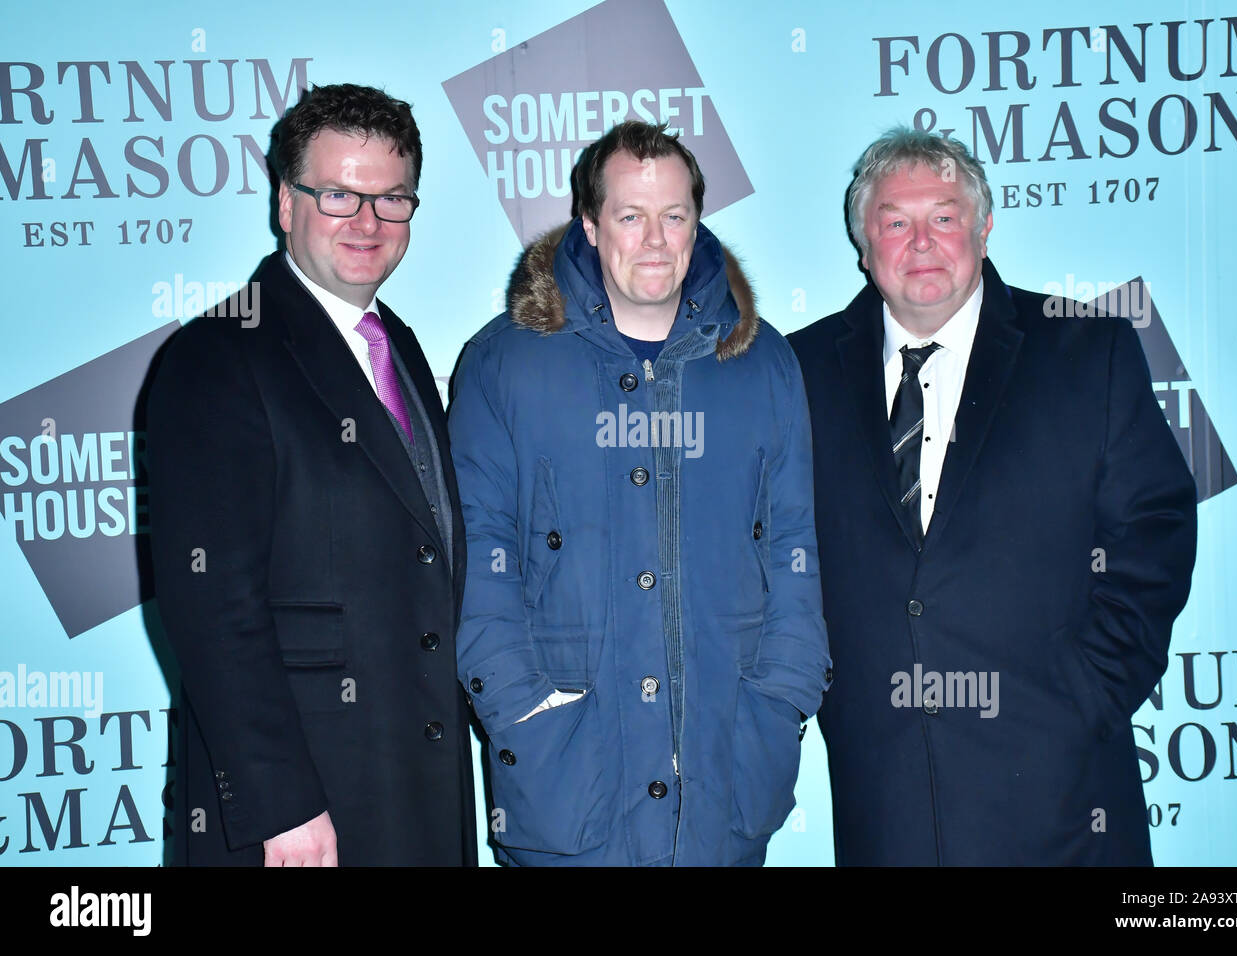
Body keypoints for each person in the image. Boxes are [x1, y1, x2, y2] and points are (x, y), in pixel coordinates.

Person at [787, 127, 1197, 865]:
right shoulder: (797, 370)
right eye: (895, 221)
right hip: (885, 798)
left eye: (944, 217)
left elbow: (1155, 531)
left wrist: (1085, 693)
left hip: (1062, 798)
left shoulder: (1085, 350)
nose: (921, 243)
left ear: (983, 227)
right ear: (863, 241)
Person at [448, 121, 831, 866]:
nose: (655, 240)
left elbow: (794, 548)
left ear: (697, 221)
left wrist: (781, 699)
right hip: (570, 783)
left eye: (675, 215)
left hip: (726, 779)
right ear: (590, 225)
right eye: (630, 216)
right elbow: (479, 558)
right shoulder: (504, 364)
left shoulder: (762, 362)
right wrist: (524, 709)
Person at [147, 83, 475, 866]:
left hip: (414, 786)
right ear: (285, 203)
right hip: (300, 815)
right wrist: (282, 806)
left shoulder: (397, 343)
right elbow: (211, 606)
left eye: (391, 198)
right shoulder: (217, 356)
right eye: (338, 194)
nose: (367, 222)